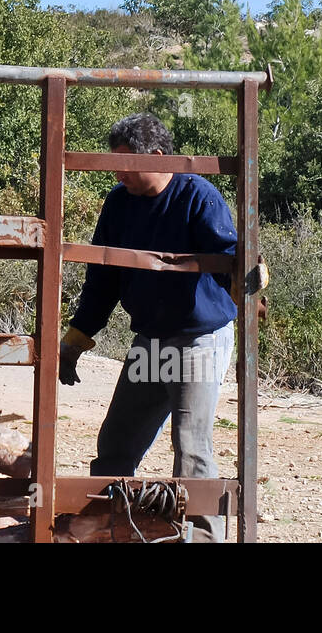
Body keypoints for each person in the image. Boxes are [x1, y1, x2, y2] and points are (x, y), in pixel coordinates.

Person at [58, 112, 238, 540]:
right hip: (152, 342)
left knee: (191, 448)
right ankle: (108, 526)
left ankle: (201, 537)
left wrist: (252, 283)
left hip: (199, 340)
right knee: (116, 444)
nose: (119, 172)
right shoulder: (119, 204)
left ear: (157, 156)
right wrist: (77, 338)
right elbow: (101, 280)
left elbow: (232, 258)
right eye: (114, 163)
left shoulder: (198, 197)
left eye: (126, 162)